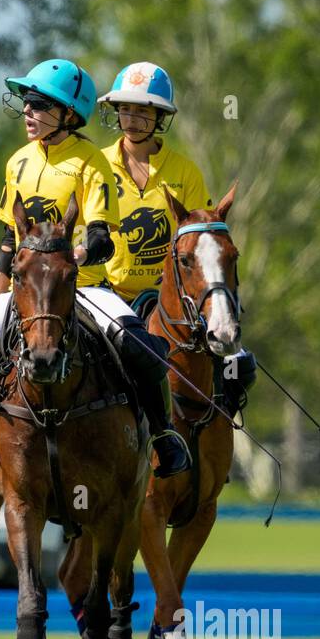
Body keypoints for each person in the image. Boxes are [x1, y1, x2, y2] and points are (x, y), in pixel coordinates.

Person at [0, 59, 192, 499]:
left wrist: (69, 260)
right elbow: (9, 236)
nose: (28, 113)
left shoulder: (91, 162)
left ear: (67, 113)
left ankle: (163, 434)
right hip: (26, 291)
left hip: (88, 286)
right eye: (26, 104)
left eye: (38, 105)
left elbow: (102, 238)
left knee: (142, 347)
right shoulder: (17, 162)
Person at [99, 60, 256, 415]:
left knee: (240, 366)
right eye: (125, 109)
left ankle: (217, 427)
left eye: (142, 111)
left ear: (159, 117)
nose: (132, 119)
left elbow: (208, 241)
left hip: (171, 298)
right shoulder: (97, 165)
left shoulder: (184, 170)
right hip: (109, 293)